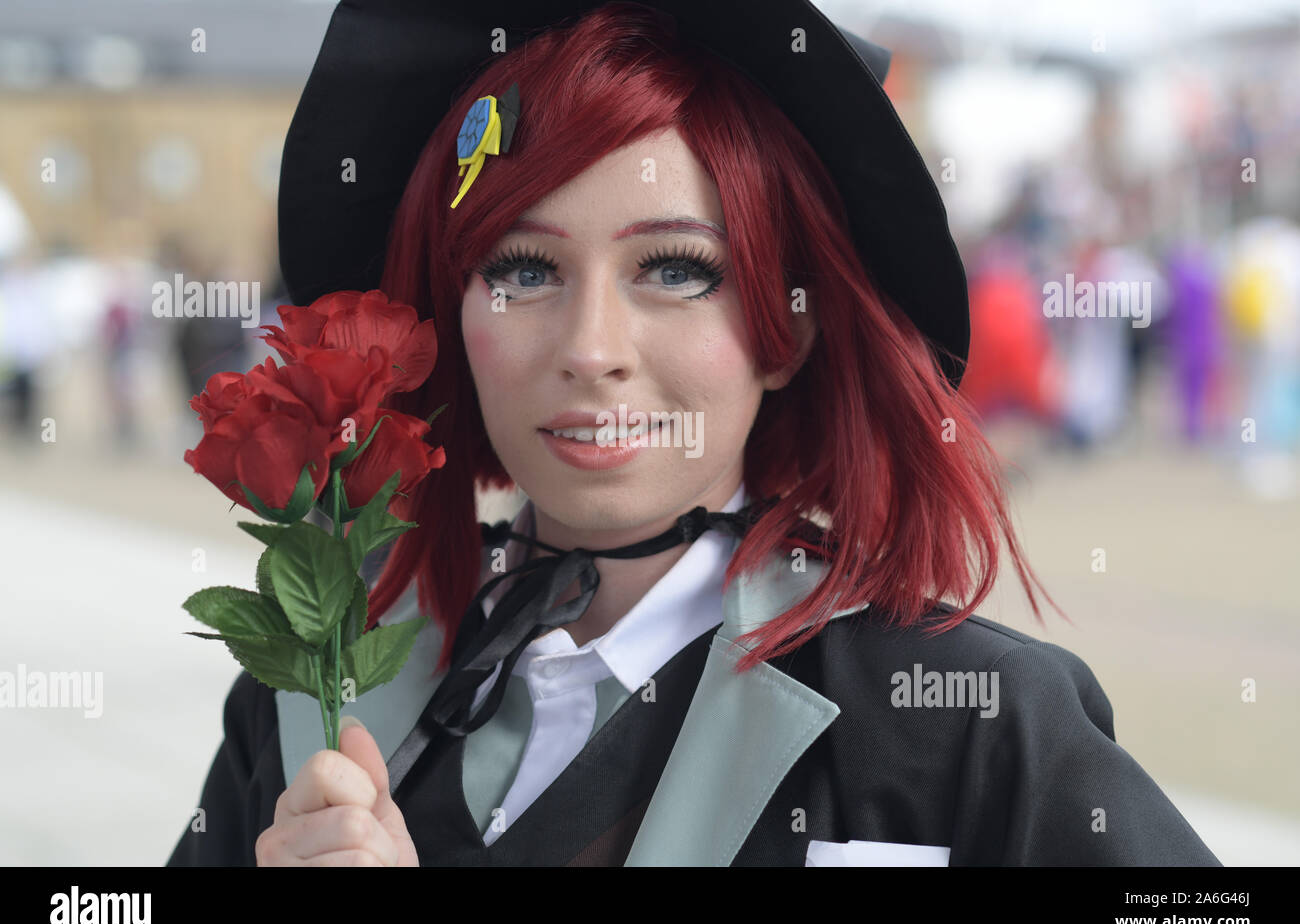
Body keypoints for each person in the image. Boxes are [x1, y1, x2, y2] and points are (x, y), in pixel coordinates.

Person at [167, 0, 1220, 866]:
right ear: (451, 319)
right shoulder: (309, 704)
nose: (591, 347)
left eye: (675, 268)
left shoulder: (975, 723)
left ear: (785, 326)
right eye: (522, 269)